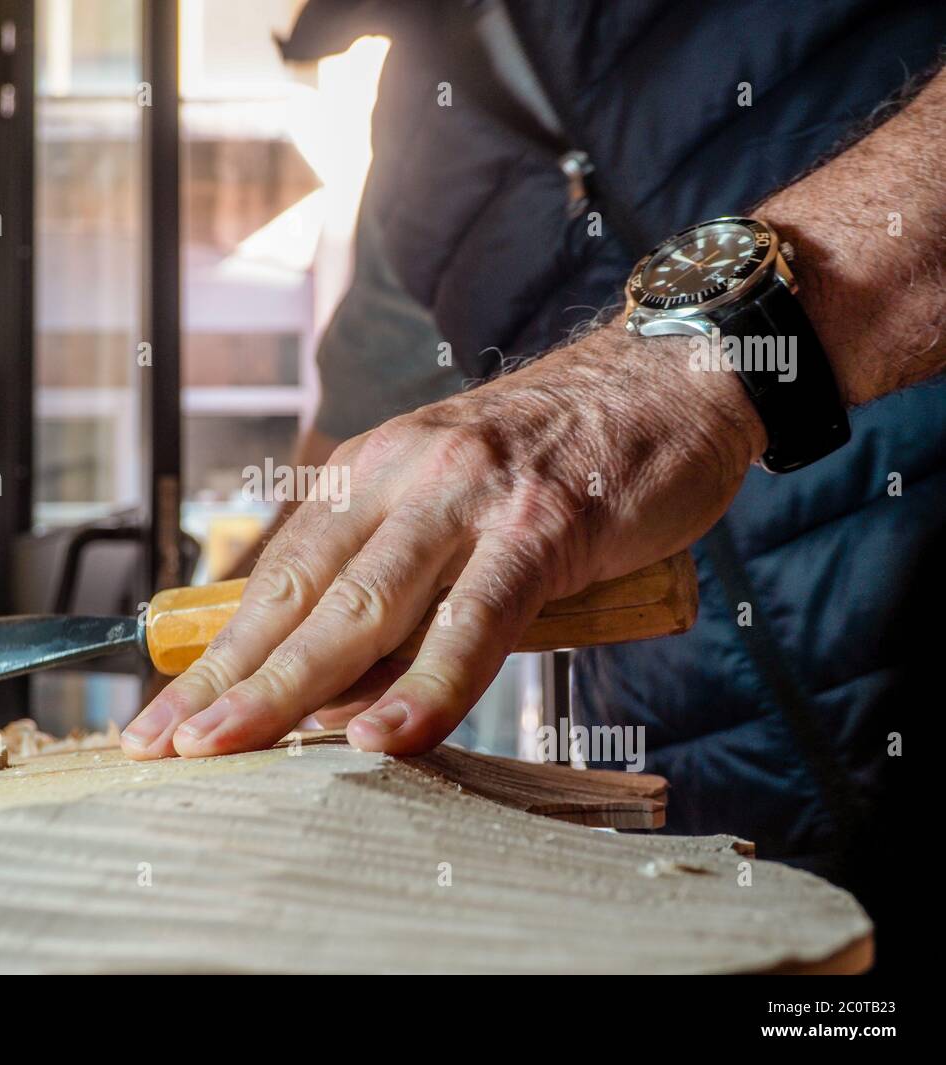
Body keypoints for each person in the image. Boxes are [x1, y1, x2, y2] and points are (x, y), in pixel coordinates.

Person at [124, 1, 946, 967]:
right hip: (712, 824)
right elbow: (348, 472)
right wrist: (218, 664)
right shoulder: (416, 136)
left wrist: (672, 375)